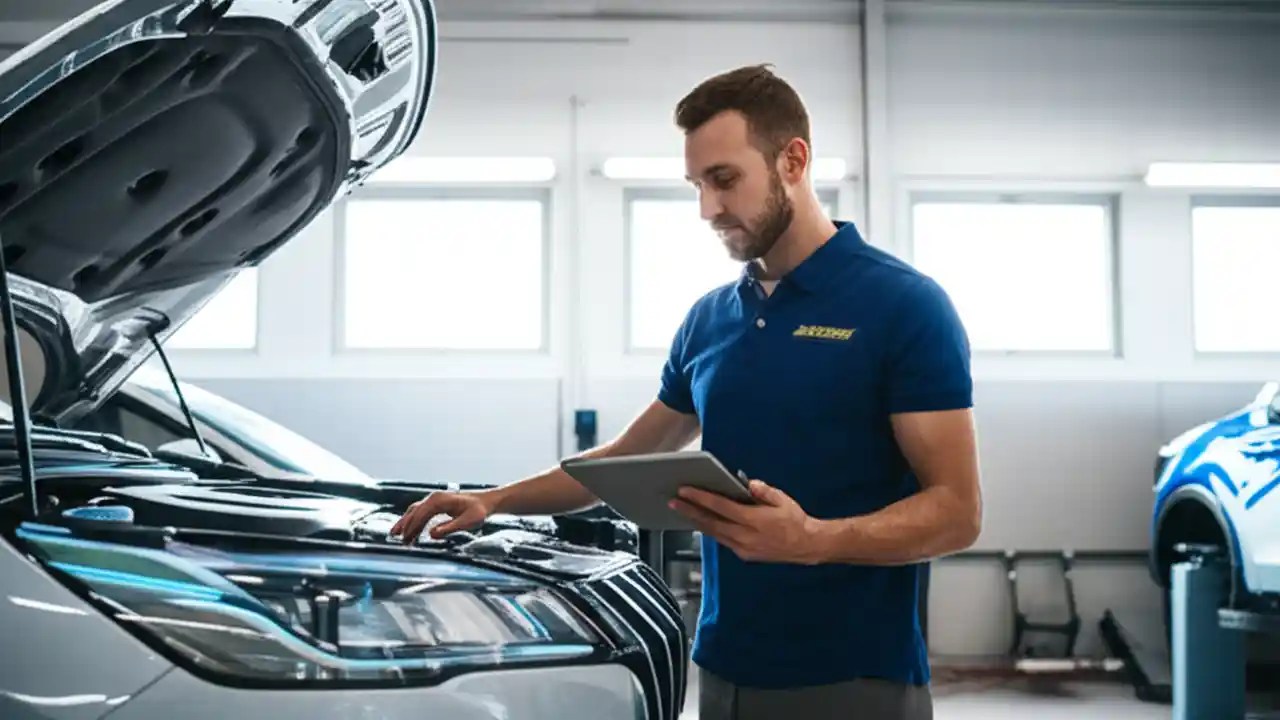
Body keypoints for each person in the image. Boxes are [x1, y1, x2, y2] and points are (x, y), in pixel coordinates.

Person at [392, 64, 982, 720]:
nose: (708, 209)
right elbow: (619, 464)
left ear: (793, 160)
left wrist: (813, 538)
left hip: (855, 676)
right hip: (723, 669)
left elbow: (957, 511)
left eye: (724, 180)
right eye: (697, 185)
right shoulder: (709, 320)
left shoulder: (905, 306)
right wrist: (493, 500)